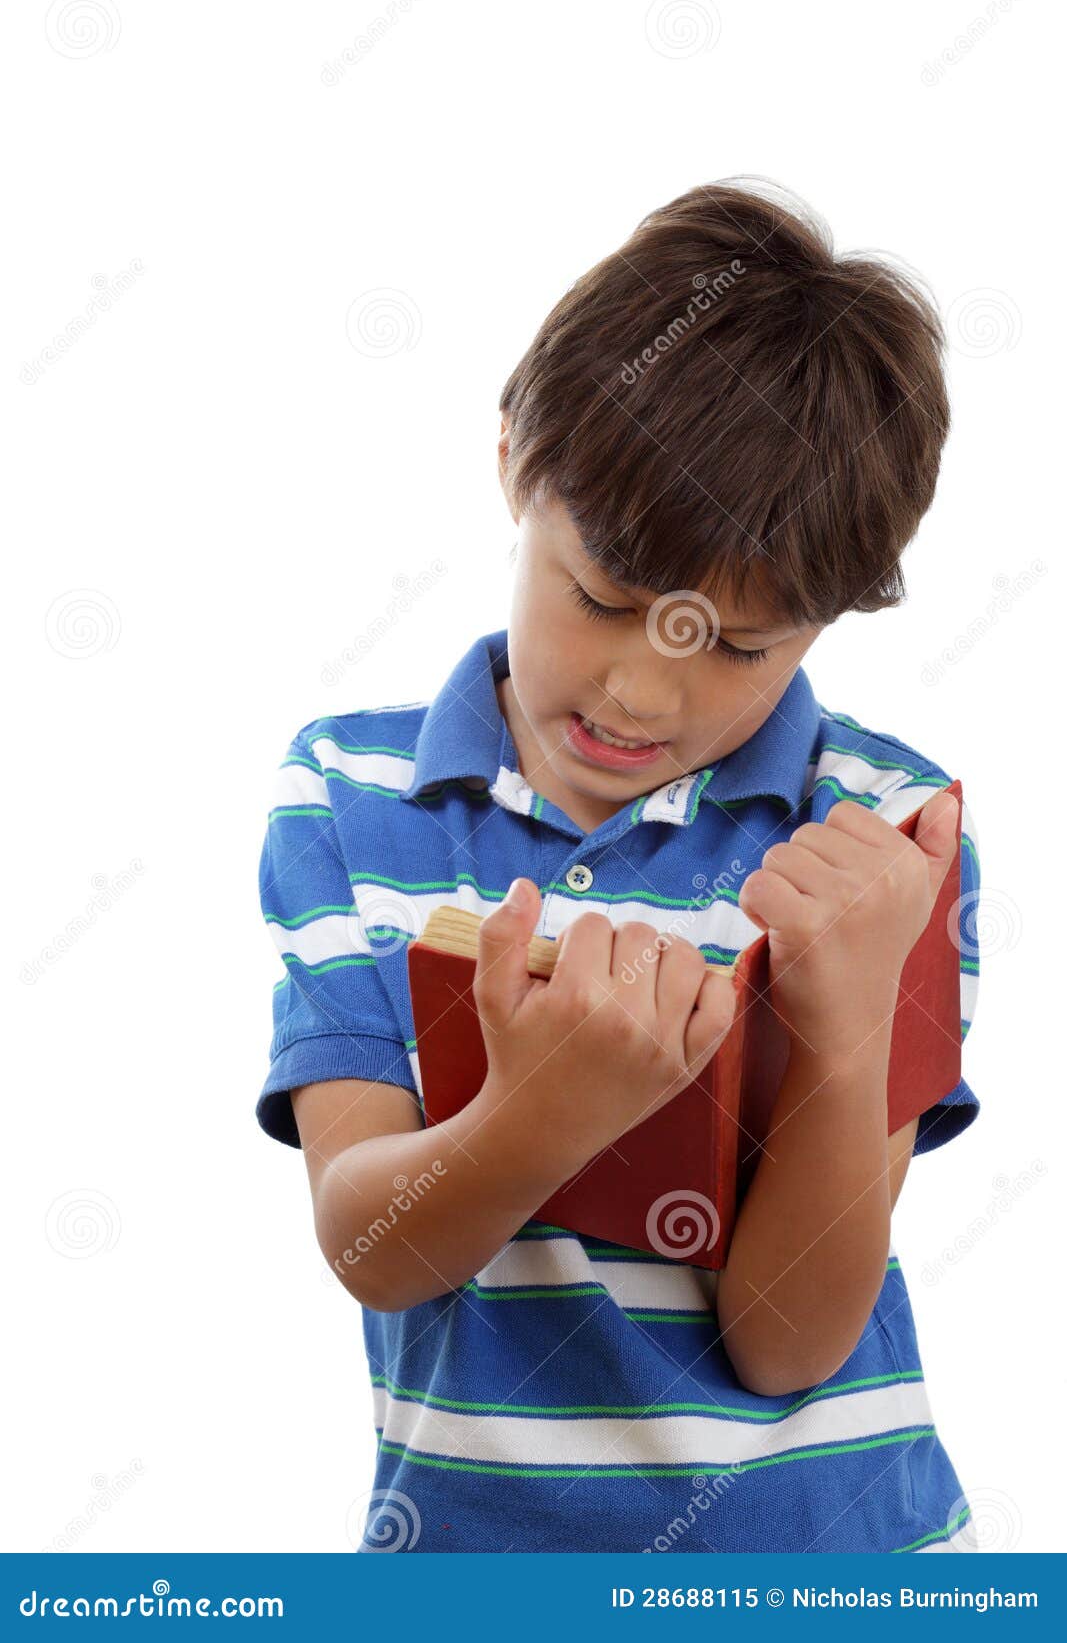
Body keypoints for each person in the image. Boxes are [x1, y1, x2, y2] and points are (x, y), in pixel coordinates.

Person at [256, 179, 981, 1553]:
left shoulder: (885, 832)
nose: (642, 691)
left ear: (830, 615)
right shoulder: (349, 793)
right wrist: (542, 1116)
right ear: (513, 460)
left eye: (741, 644)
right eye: (601, 597)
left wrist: (839, 1041)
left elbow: (788, 1342)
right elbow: (371, 1246)